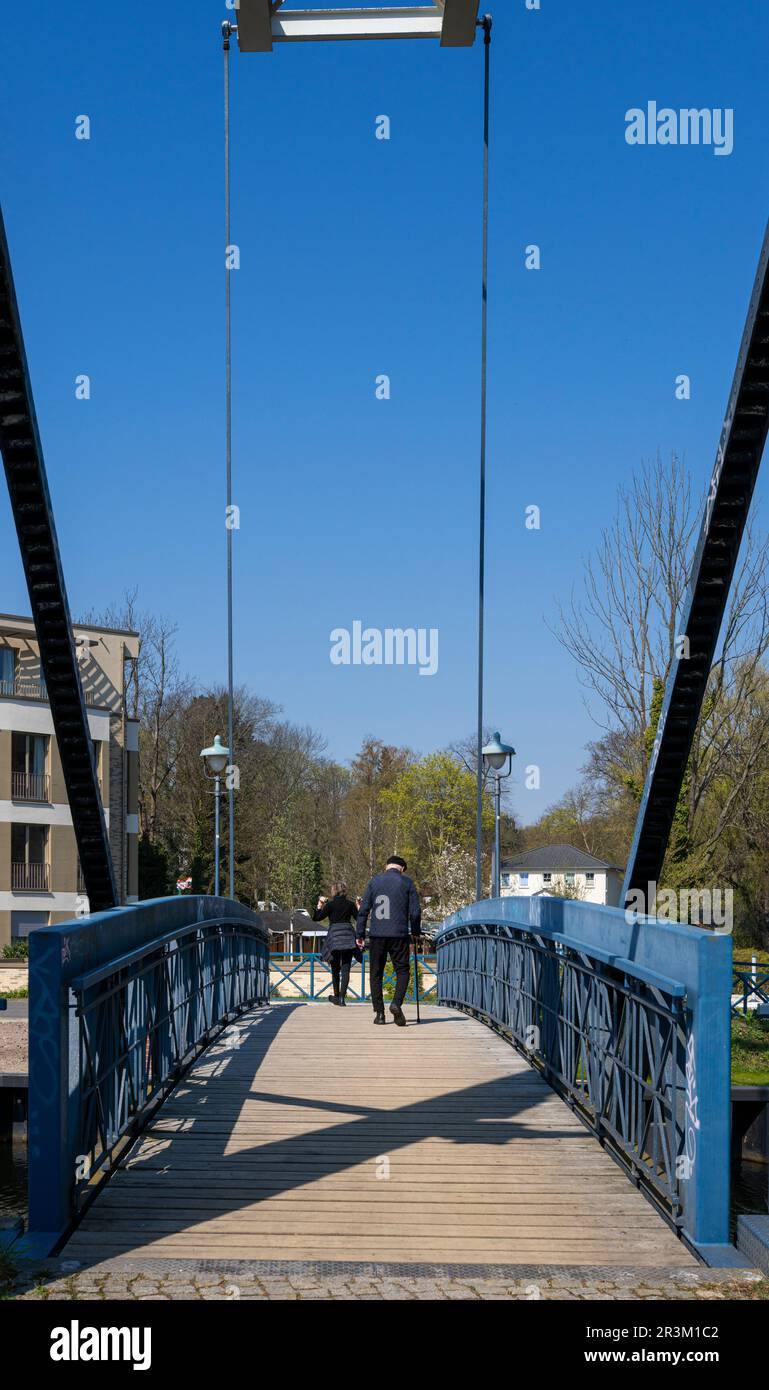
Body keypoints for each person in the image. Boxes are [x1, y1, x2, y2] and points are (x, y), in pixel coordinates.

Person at [356, 855, 421, 1026]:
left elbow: (363, 910)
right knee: (403, 971)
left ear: (387, 866)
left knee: (376, 973)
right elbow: (415, 912)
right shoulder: (407, 883)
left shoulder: (374, 882)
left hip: (377, 934)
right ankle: (396, 1003)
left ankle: (380, 1014)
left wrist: (360, 934)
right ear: (402, 868)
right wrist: (415, 932)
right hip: (399, 934)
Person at [313, 882, 362, 1006]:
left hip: (334, 939)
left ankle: (336, 996)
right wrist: (359, 907)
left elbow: (317, 918)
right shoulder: (350, 904)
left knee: (335, 969)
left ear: (334, 891)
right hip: (347, 937)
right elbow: (360, 920)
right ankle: (342, 999)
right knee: (346, 969)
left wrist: (319, 905)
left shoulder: (330, 905)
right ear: (344, 891)